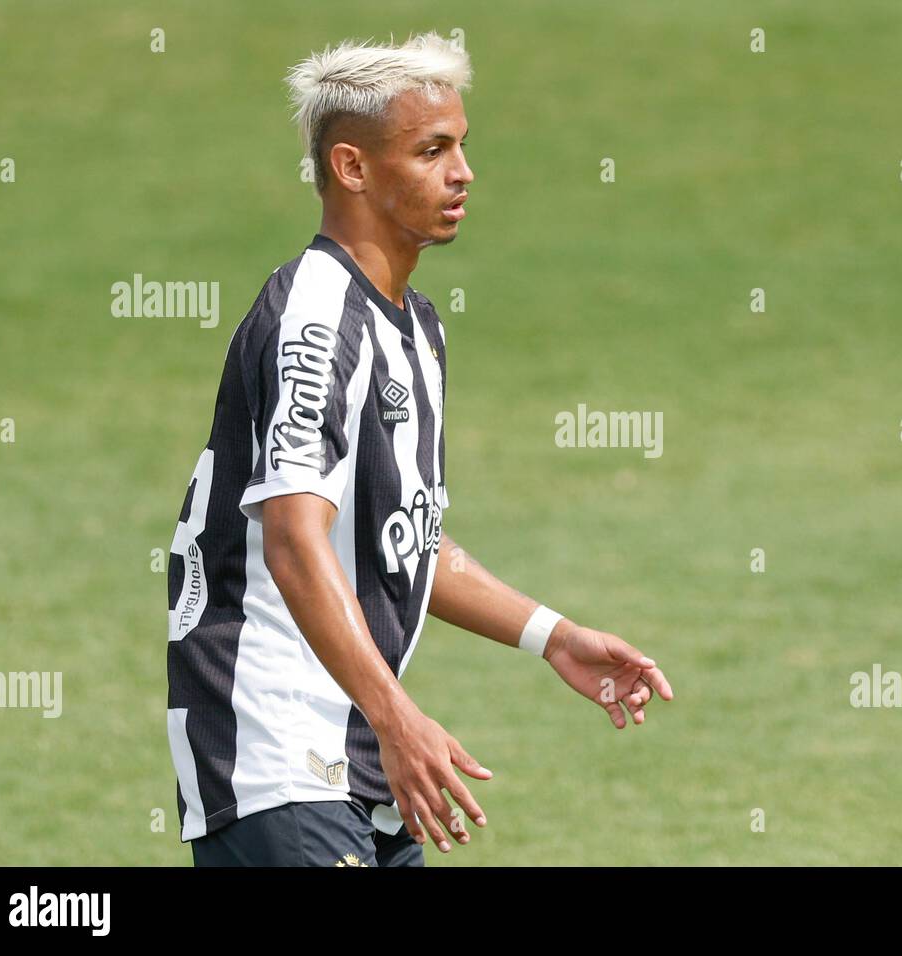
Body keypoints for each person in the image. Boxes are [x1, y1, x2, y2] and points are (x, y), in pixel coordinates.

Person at [165, 32, 673, 867]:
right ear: (352, 167)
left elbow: (404, 545)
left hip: (357, 762)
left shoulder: (415, 327)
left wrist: (552, 635)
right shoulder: (316, 317)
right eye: (432, 150)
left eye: (462, 146)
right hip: (277, 754)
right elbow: (295, 543)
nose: (463, 170)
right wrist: (402, 720)